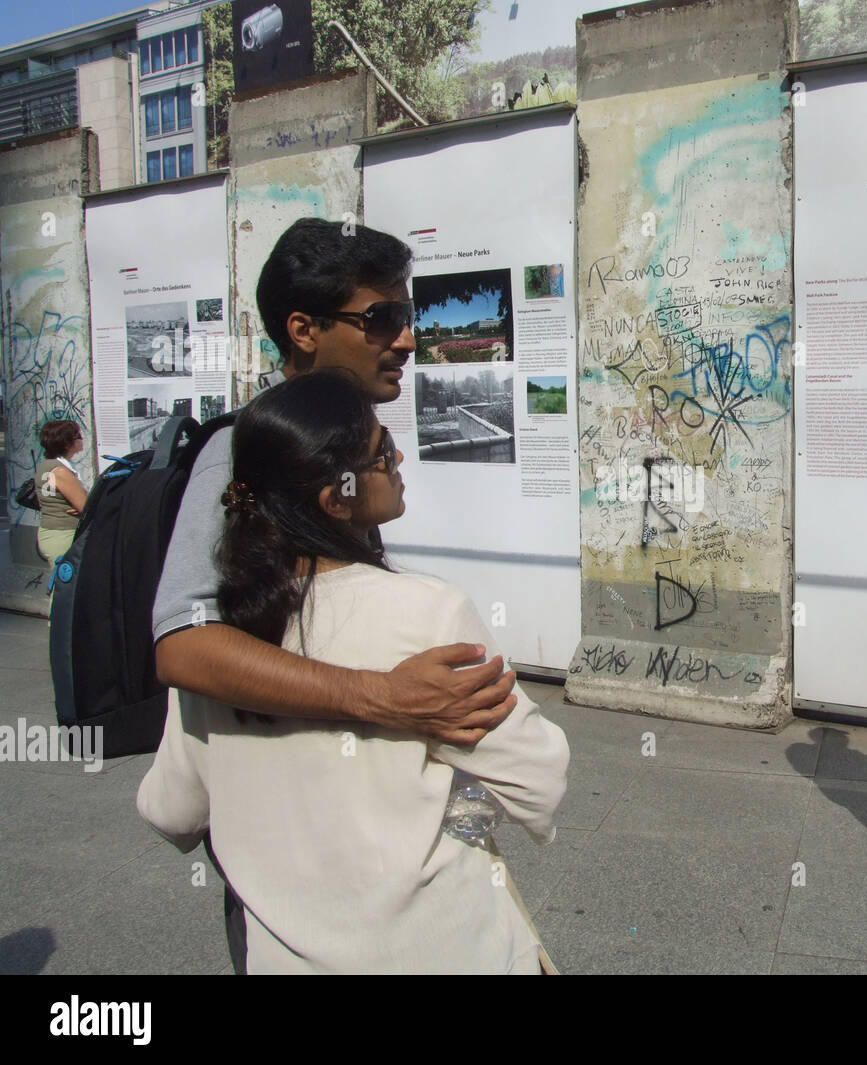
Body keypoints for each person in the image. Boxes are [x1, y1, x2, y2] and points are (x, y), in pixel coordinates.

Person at [150, 218, 516, 965]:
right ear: (304, 330)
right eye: (380, 318)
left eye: (407, 315)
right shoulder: (244, 448)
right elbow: (183, 642)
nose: (408, 338)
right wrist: (382, 695)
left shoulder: (336, 445)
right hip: (292, 880)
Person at [138, 371, 569, 973]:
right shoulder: (428, 611)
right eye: (380, 454)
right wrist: (443, 798)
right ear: (335, 497)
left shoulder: (221, 649)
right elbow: (537, 781)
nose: (397, 460)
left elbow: (171, 809)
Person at [34, 419, 88, 570]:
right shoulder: (61, 471)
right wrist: (86, 505)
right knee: (65, 589)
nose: (81, 439)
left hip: (52, 533)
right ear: (66, 444)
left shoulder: (47, 464)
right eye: (78, 436)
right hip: (63, 535)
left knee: (62, 585)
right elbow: (86, 507)